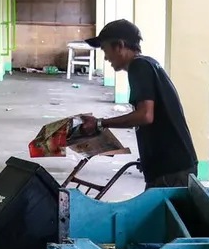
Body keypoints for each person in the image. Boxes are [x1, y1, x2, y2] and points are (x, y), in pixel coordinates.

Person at [80, 19, 198, 189]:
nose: (105, 57)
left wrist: (100, 123)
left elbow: (145, 115)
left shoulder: (139, 67)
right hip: (174, 163)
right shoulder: (149, 64)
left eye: (105, 50)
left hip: (172, 168)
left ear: (119, 46)